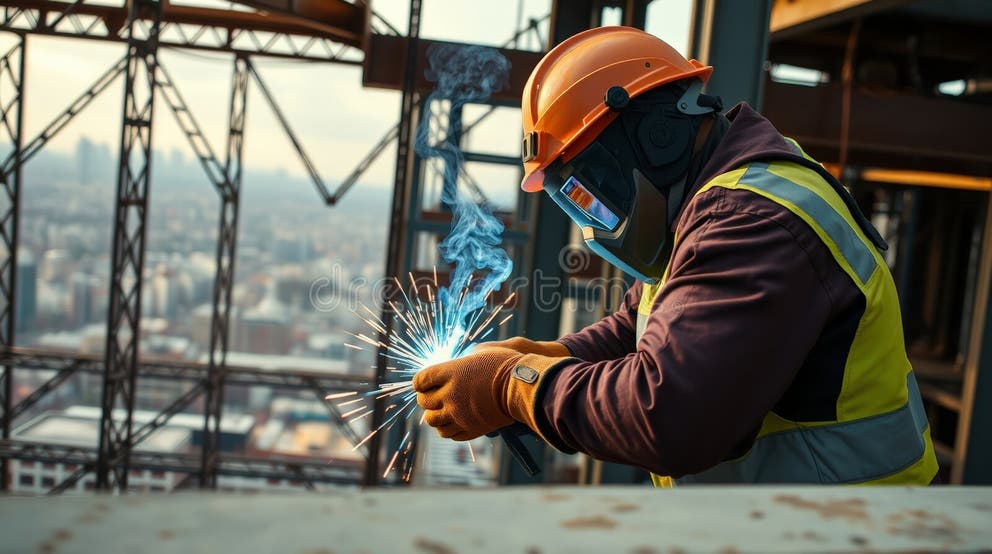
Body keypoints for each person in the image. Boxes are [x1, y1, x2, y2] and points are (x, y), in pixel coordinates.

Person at [412, 26, 938, 485]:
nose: (593, 219)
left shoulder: (748, 222)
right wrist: (552, 353)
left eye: (589, 192)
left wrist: (515, 386)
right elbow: (640, 328)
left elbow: (668, 417)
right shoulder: (708, 207)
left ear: (654, 138)